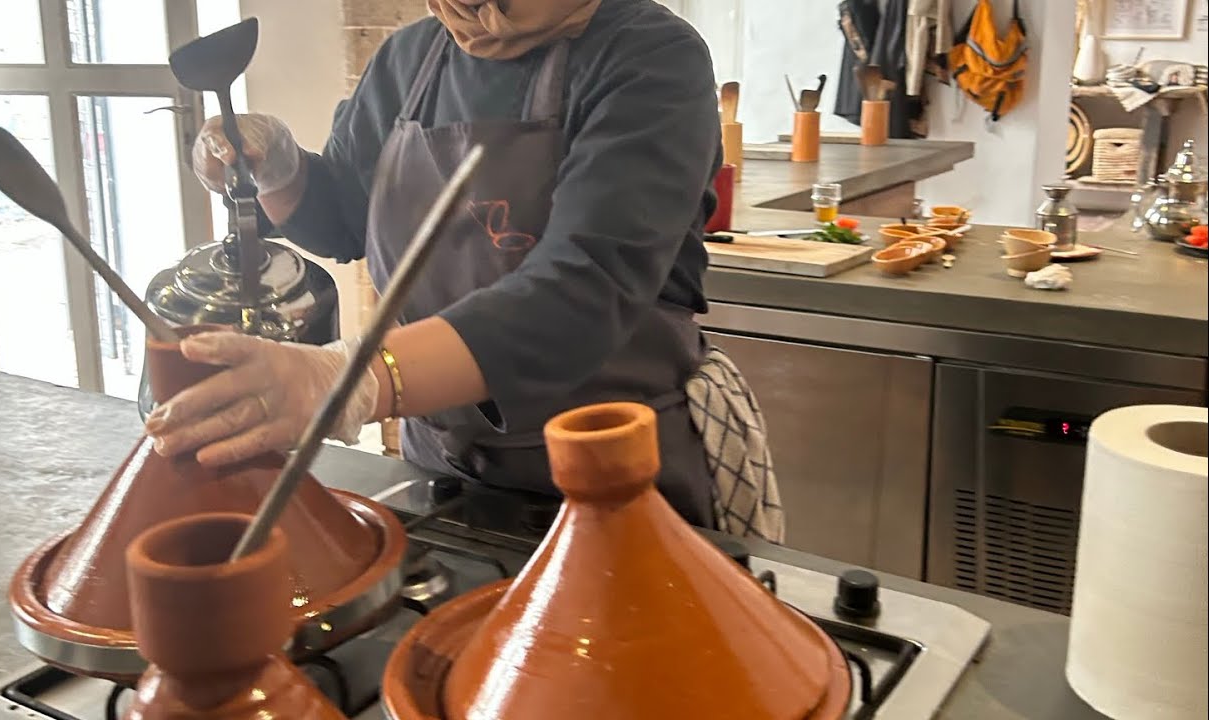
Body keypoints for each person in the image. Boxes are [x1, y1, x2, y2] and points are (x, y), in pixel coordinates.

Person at [145, 0, 784, 540]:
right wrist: (279, 173)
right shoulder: (412, 59)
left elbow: (584, 288)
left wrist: (354, 378)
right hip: (443, 475)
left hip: (612, 477)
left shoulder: (647, 57)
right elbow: (341, 220)